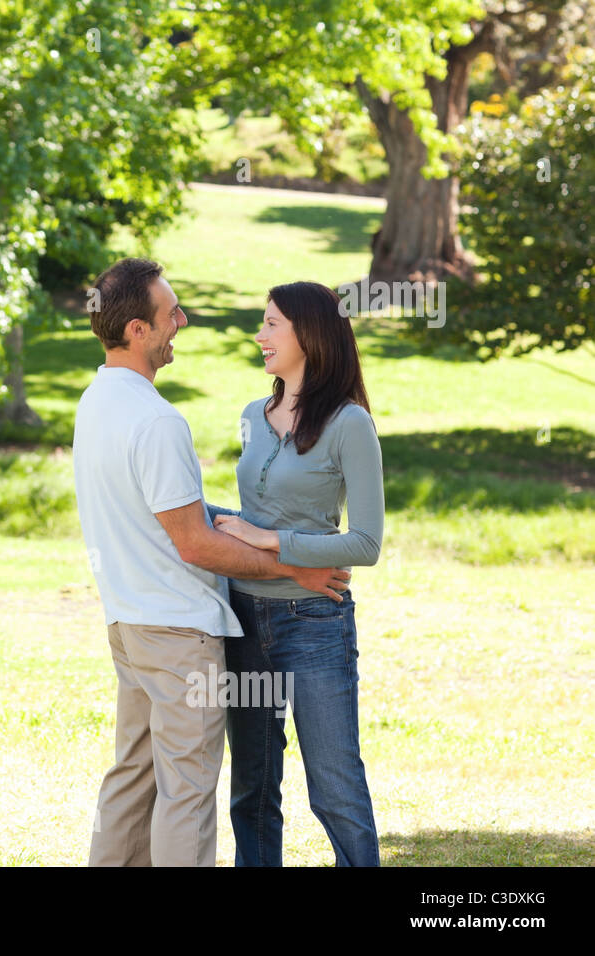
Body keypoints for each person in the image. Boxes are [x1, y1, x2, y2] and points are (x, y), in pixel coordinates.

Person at [73, 258, 351, 867]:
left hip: (129, 625)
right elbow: (194, 543)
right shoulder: (156, 421)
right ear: (138, 331)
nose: (182, 320)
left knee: (131, 779)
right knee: (187, 793)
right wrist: (296, 568)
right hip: (178, 636)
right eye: (170, 312)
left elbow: (176, 518)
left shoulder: (96, 401)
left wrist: (249, 528)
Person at [209, 280, 384, 867]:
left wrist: (269, 541)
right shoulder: (250, 416)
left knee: (334, 787)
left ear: (308, 333)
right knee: (253, 788)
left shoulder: (348, 422)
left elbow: (364, 542)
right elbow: (246, 513)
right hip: (242, 616)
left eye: (271, 324)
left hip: (312, 621)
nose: (260, 336)